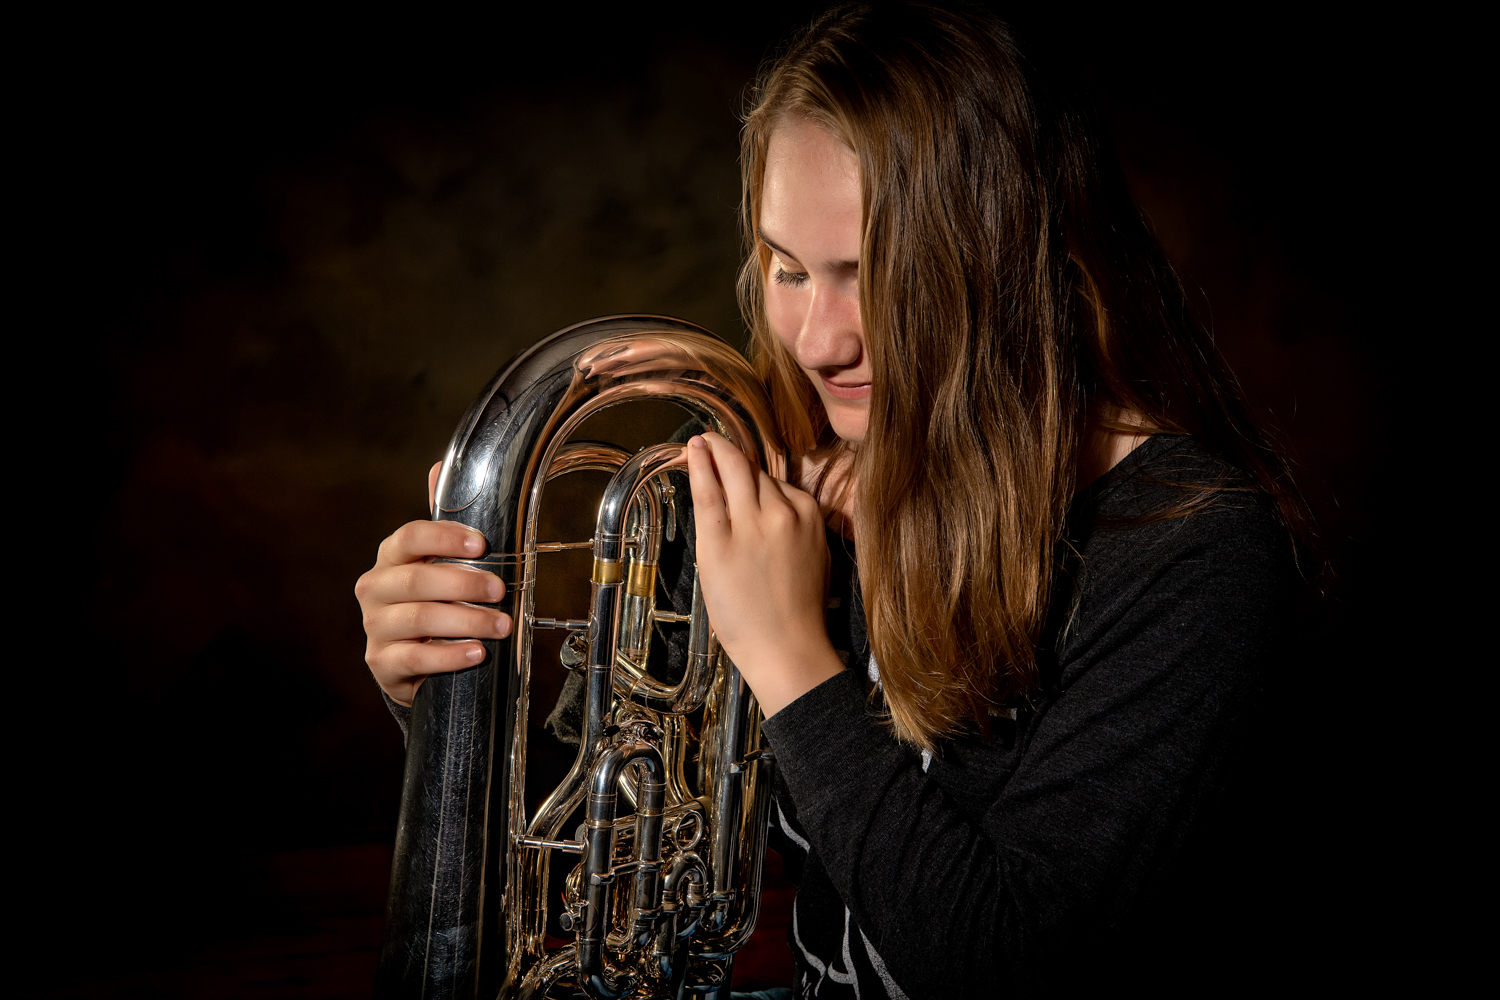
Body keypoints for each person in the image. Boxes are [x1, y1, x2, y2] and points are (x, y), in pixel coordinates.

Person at [357, 4, 1311, 996]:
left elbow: (1008, 959)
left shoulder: (1193, 554)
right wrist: (456, 694)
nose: (818, 341)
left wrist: (790, 658)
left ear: (1004, 269)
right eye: (788, 269)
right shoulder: (781, 472)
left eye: (873, 277)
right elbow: (580, 877)